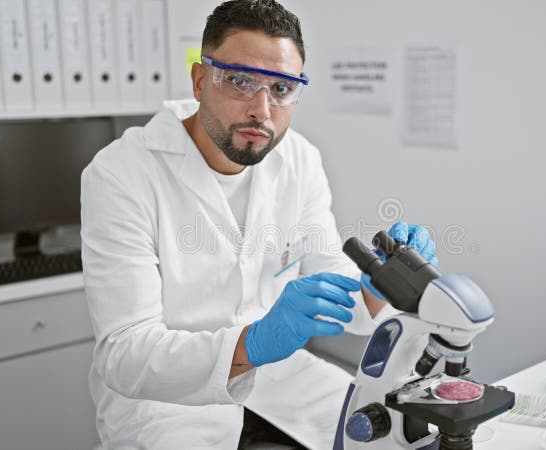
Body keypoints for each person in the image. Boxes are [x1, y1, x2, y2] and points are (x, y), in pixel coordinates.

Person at [80, 1, 438, 448]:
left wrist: (380, 283)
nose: (262, 110)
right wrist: (252, 342)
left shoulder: (299, 160)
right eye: (241, 81)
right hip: (166, 407)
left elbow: (338, 287)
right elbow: (124, 355)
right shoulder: (121, 173)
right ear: (199, 80)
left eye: (282, 88)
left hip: (284, 382)